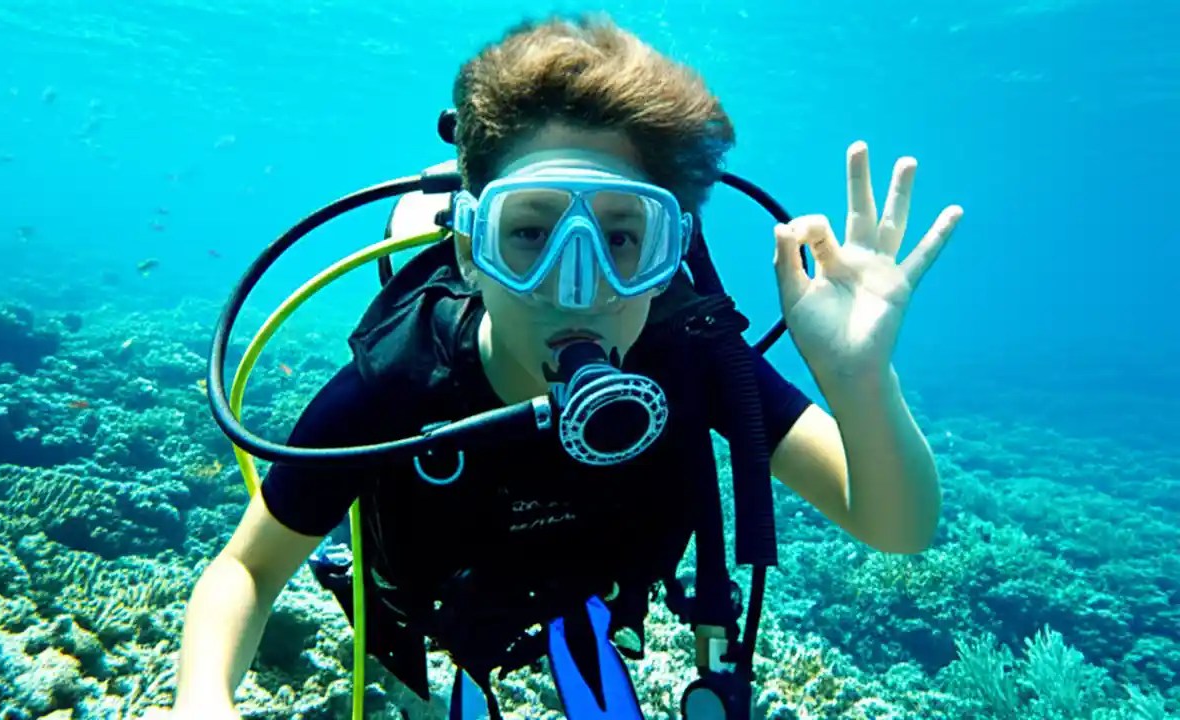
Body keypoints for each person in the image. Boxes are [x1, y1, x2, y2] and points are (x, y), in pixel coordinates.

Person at [171, 12, 963, 720]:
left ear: (669, 254)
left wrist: (860, 381)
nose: (574, 287)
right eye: (529, 234)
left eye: (622, 238)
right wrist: (200, 699)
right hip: (435, 617)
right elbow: (248, 568)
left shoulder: (693, 355)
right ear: (469, 248)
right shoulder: (402, 380)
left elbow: (894, 528)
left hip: (598, 599)